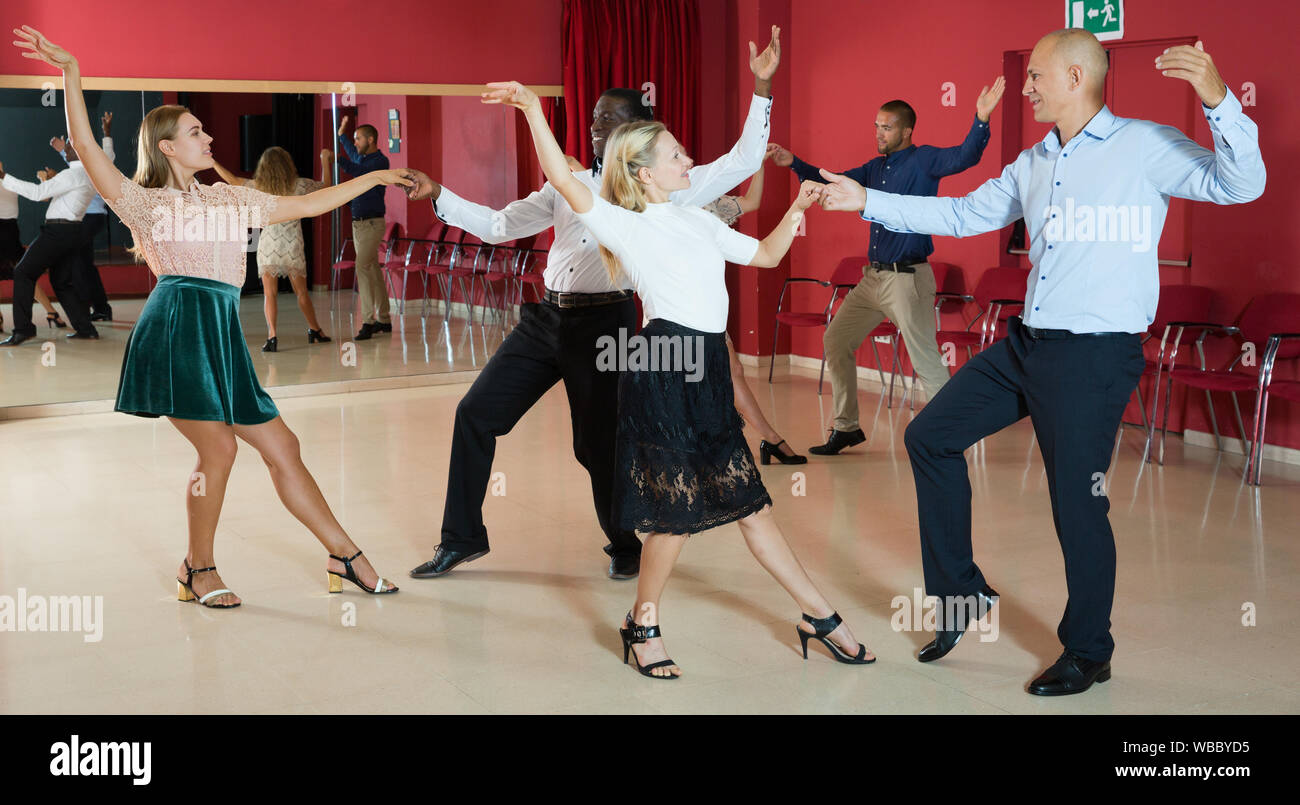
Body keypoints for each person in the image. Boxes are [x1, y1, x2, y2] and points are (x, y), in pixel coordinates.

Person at [819, 30, 1265, 695]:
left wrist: (1219, 99)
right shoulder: (1035, 160)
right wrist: (870, 201)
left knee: (1075, 503)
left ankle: (1090, 650)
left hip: (1095, 355)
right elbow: (967, 211)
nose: (1024, 88)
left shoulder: (1143, 146)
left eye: (1034, 77)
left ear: (1077, 75)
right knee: (929, 437)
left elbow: (1243, 182)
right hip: (1029, 345)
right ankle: (962, 594)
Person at [484, 78, 874, 680]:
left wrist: (797, 208)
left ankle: (814, 615)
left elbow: (765, 256)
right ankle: (646, 622)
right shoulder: (626, 224)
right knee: (676, 512)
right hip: (665, 368)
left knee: (750, 504)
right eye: (676, 156)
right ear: (644, 173)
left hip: (709, 370)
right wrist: (534, 109)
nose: (689, 160)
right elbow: (563, 179)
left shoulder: (697, 221)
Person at [13, 25, 411, 605]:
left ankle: (343, 556)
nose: (210, 136)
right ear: (168, 147)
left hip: (220, 332)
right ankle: (199, 569)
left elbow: (305, 203)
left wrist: (373, 176)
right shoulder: (144, 205)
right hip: (175, 329)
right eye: (196, 132)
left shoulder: (230, 198)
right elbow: (88, 148)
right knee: (219, 451)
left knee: (283, 447)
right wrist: (71, 74)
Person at [403, 26, 783, 582]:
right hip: (545, 318)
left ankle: (625, 543)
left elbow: (742, 159)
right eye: (594, 118)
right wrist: (440, 196)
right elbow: (502, 225)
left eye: (605, 119)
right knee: (475, 414)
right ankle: (460, 539)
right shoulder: (569, 183)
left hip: (607, 324)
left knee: (597, 443)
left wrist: (762, 85)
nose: (593, 125)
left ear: (631, 130)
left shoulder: (668, 185)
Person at [768, 78, 1004, 455]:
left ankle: (954, 432)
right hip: (872, 277)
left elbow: (965, 156)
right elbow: (835, 181)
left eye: (887, 126)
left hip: (908, 278)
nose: (879, 132)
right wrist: (793, 162)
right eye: (877, 125)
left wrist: (981, 118)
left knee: (925, 355)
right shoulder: (875, 168)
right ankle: (846, 428)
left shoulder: (924, 159)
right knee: (836, 340)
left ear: (906, 131)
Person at [701, 146, 806, 464]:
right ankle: (767, 441)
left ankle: (765, 440)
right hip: (685, 312)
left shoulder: (710, 207)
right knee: (723, 374)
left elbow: (752, 203)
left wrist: (758, 165)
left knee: (731, 371)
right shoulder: (663, 212)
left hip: (710, 307)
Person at [213, 146, 335, 351]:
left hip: (268, 244)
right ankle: (315, 330)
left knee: (269, 294)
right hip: (292, 244)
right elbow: (327, 187)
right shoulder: (300, 185)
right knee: (302, 293)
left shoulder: (258, 187)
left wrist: (212, 161)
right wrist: (325, 160)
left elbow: (233, 180)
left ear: (264, 167)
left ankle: (272, 337)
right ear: (288, 165)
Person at [0, 141, 98, 344]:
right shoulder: (86, 175)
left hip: (58, 232)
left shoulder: (71, 175)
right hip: (72, 231)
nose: (66, 148)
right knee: (62, 282)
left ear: (79, 151)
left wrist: (3, 177)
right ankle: (85, 328)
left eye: (69, 146)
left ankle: (24, 329)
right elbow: (50, 194)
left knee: (22, 272)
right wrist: (52, 180)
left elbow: (38, 194)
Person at [50, 109, 115, 322]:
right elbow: (73, 161)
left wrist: (107, 131)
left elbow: (108, 154)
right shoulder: (80, 165)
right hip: (84, 219)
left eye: (71, 146)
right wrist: (62, 150)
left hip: (92, 217)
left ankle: (86, 308)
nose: (69, 148)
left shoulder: (98, 162)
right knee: (84, 263)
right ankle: (100, 309)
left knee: (77, 261)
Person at [336, 115, 391, 340]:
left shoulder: (379, 162)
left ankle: (368, 320)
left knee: (362, 267)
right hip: (359, 224)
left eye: (358, 139)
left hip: (372, 223)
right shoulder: (362, 158)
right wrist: (342, 136)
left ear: (370, 139)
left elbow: (360, 172)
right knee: (372, 269)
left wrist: (337, 159)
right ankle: (384, 319)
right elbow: (353, 155)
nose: (355, 142)